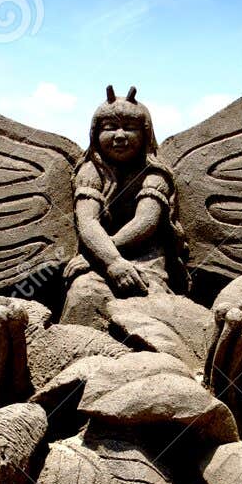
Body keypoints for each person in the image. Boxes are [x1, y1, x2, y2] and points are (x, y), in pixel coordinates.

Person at [61, 85, 187, 326]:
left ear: (146, 134)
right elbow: (87, 222)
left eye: (130, 128)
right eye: (110, 128)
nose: (120, 136)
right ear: (95, 133)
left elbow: (145, 222)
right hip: (101, 260)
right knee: (83, 293)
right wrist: (111, 262)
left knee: (148, 303)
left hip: (145, 260)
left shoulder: (155, 174)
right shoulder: (90, 172)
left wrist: (98, 255)